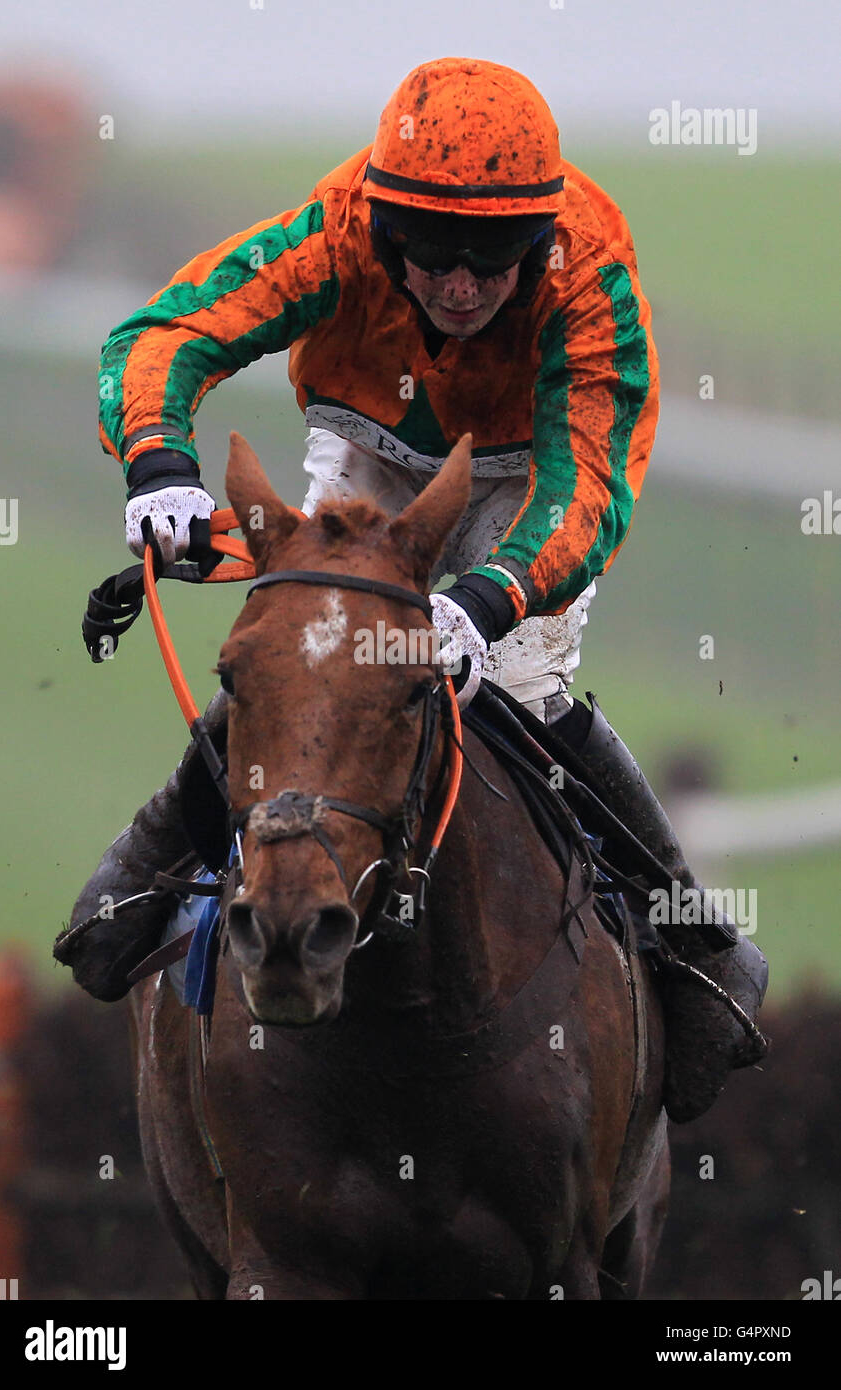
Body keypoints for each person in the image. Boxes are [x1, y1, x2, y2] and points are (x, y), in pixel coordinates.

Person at [56, 57, 766, 1119]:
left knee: (518, 685)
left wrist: (481, 602)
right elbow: (164, 336)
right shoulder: (333, 228)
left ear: (539, 242)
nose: (462, 284)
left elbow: (584, 495)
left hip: (531, 473)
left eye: (494, 257)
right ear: (386, 227)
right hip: (371, 440)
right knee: (312, 655)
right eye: (433, 253)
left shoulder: (589, 275)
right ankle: (149, 864)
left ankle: (694, 945)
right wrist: (158, 460)